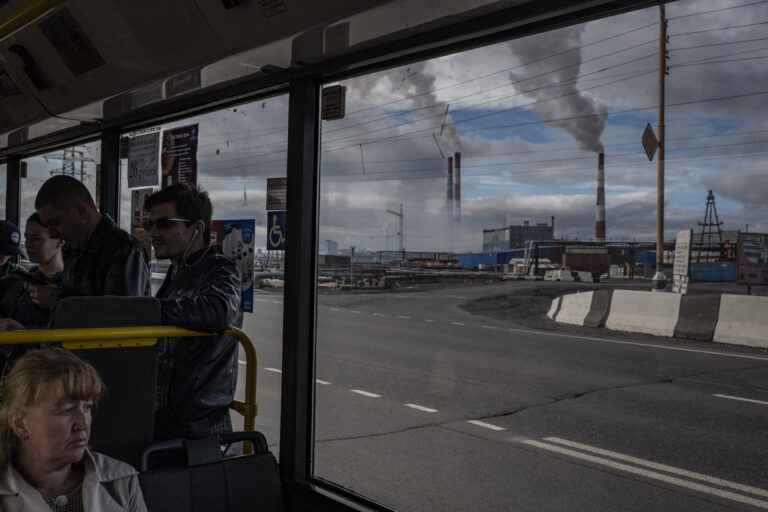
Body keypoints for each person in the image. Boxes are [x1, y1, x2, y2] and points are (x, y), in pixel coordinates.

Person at [143, 183, 242, 441]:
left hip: (197, 426)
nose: (153, 232)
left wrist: (144, 310)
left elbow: (220, 311)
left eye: (164, 223)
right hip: (168, 415)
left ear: (197, 228)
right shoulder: (177, 271)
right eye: (149, 224)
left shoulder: (220, 269)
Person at [0, 348, 148, 511]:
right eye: (67, 410)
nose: (82, 425)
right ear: (20, 425)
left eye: (87, 407)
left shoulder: (121, 481)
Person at [27, 175, 151, 311]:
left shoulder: (124, 250)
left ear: (81, 211)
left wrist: (56, 299)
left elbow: (122, 316)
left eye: (56, 223)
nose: (52, 233)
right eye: (47, 225)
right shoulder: (73, 250)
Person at [0, 213, 64, 331]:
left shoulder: (67, 286)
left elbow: (70, 331)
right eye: (26, 238)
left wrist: (24, 332)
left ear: (60, 241)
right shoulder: (19, 278)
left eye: (36, 239)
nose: (28, 245)